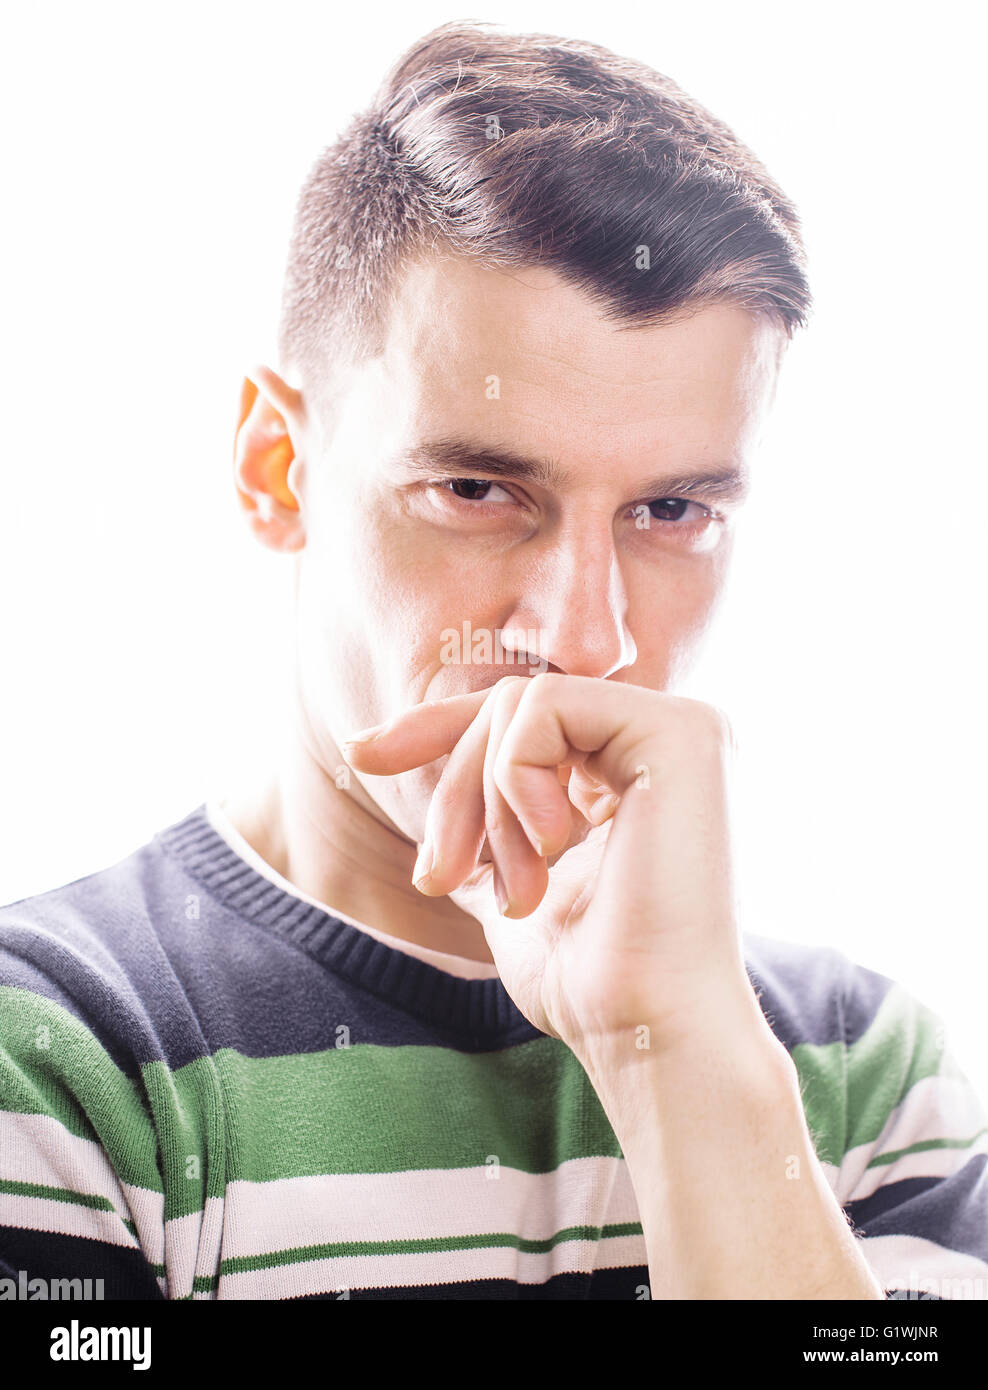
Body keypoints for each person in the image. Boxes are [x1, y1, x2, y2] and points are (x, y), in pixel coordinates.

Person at [1, 21, 986, 1302]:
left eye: (669, 512)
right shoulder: (57, 1059)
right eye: (476, 487)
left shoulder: (855, 1072)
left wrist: (682, 1064)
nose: (584, 639)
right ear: (277, 468)